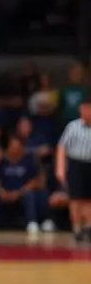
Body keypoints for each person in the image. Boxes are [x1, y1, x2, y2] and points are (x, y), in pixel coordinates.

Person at [57, 96, 91, 241]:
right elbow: (62, 147)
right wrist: (60, 169)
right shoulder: (73, 126)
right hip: (76, 164)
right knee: (76, 198)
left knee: (89, 199)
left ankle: (89, 226)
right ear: (80, 109)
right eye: (85, 108)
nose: (87, 111)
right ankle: (77, 227)